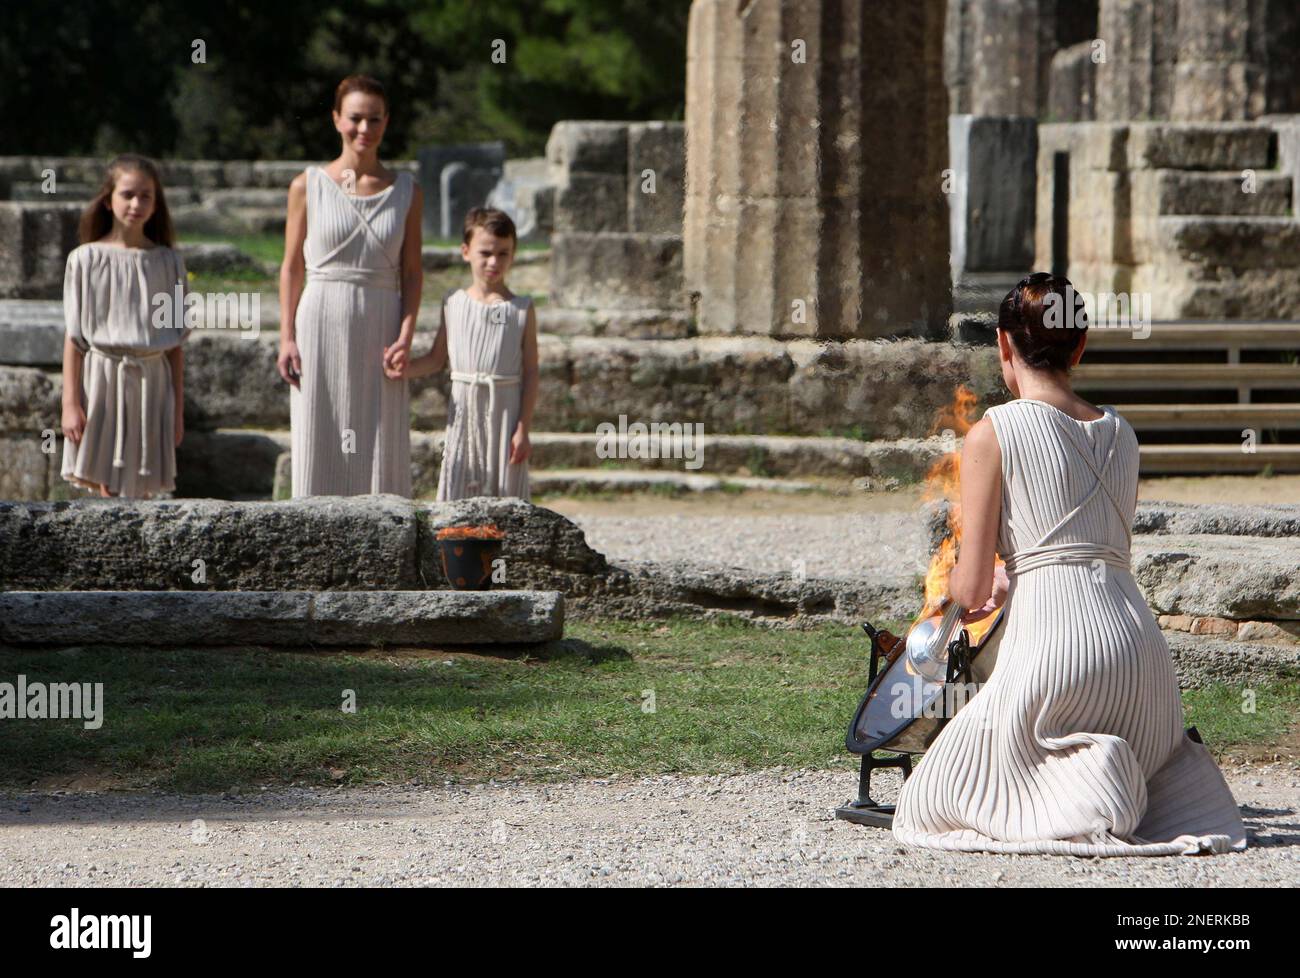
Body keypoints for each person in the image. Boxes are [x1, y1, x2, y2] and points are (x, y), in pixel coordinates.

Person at [890, 272, 1247, 857]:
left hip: (1058, 659)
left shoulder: (993, 432)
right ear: (1079, 347)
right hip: (1145, 671)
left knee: (934, 795)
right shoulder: (1122, 432)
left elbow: (974, 584)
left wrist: (985, 579)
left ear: (1004, 345)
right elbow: (1091, 545)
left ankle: (1093, 791)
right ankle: (1114, 777)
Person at [278, 74, 422, 497]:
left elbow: (413, 272)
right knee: (318, 431)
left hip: (380, 321)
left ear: (387, 122)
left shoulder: (408, 191)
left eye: (374, 119)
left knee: (379, 433)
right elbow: (290, 268)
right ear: (336, 119)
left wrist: (407, 334)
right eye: (355, 118)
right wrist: (286, 338)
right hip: (321, 317)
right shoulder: (308, 186)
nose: (365, 129)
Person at [61, 154, 190, 499]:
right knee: (107, 483)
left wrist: (177, 411)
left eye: (146, 195)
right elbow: (74, 338)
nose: (137, 203)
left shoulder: (169, 262)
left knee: (144, 483)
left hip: (153, 379)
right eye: (128, 194)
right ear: (108, 199)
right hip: (103, 377)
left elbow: (175, 345)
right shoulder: (86, 260)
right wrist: (70, 404)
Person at [387, 207, 538, 501]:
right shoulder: (453, 303)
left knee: (505, 500)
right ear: (466, 251)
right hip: (465, 411)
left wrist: (523, 429)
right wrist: (402, 370)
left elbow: (531, 371)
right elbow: (436, 359)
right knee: (461, 493)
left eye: (503, 253)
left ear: (513, 254)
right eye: (486, 253)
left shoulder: (521, 308)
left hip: (504, 412)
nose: (494, 262)